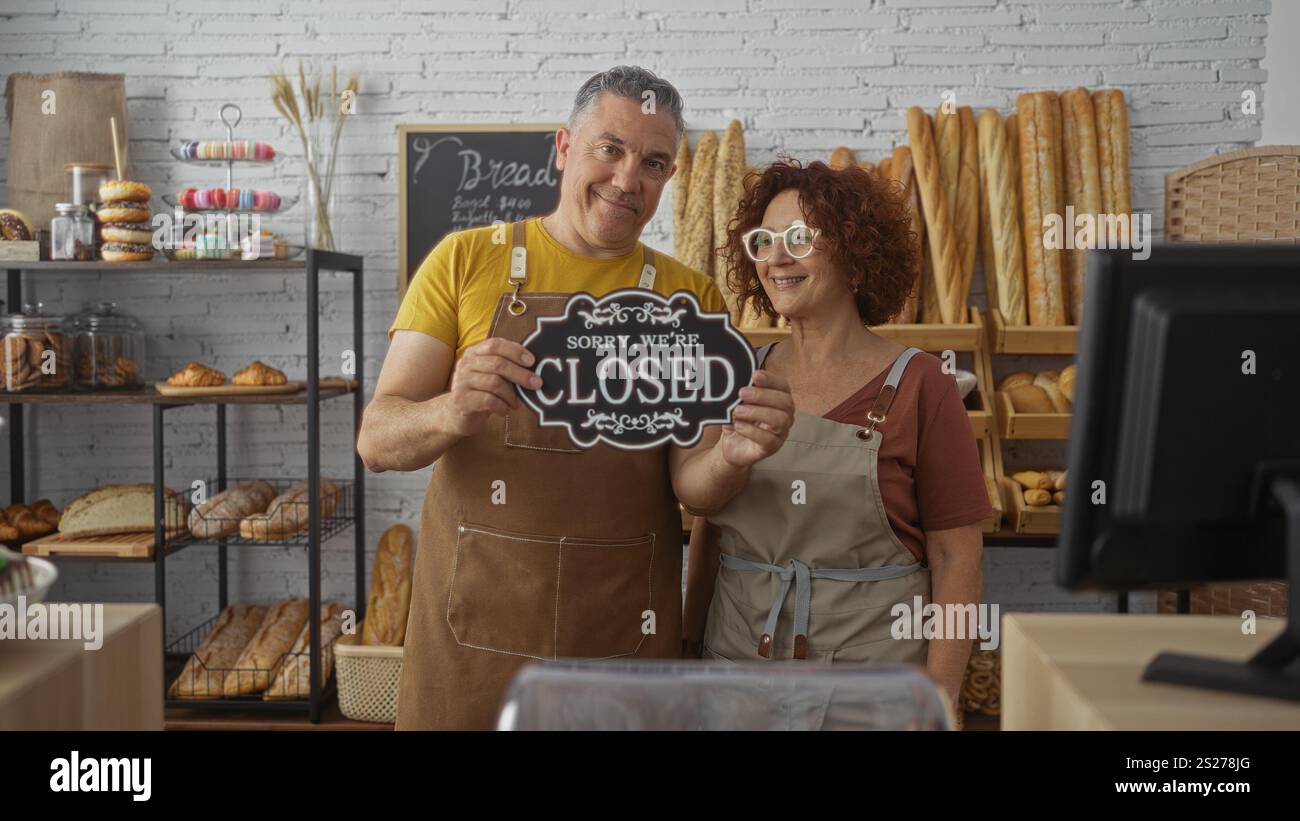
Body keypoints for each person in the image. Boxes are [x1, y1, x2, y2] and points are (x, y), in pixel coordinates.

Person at [358, 66, 795, 730]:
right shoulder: (464, 261)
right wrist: (450, 408)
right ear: (564, 148)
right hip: (472, 639)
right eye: (610, 149)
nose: (627, 179)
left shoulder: (690, 301)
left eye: (652, 162)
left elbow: (696, 488)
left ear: (668, 178)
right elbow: (376, 440)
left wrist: (733, 455)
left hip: (622, 636)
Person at [681, 160, 991, 711]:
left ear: (855, 254)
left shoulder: (922, 384)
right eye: (765, 241)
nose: (777, 257)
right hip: (736, 673)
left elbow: (956, 559)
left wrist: (940, 700)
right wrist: (686, 647)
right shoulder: (737, 375)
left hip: (873, 687)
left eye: (800, 238)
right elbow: (709, 530)